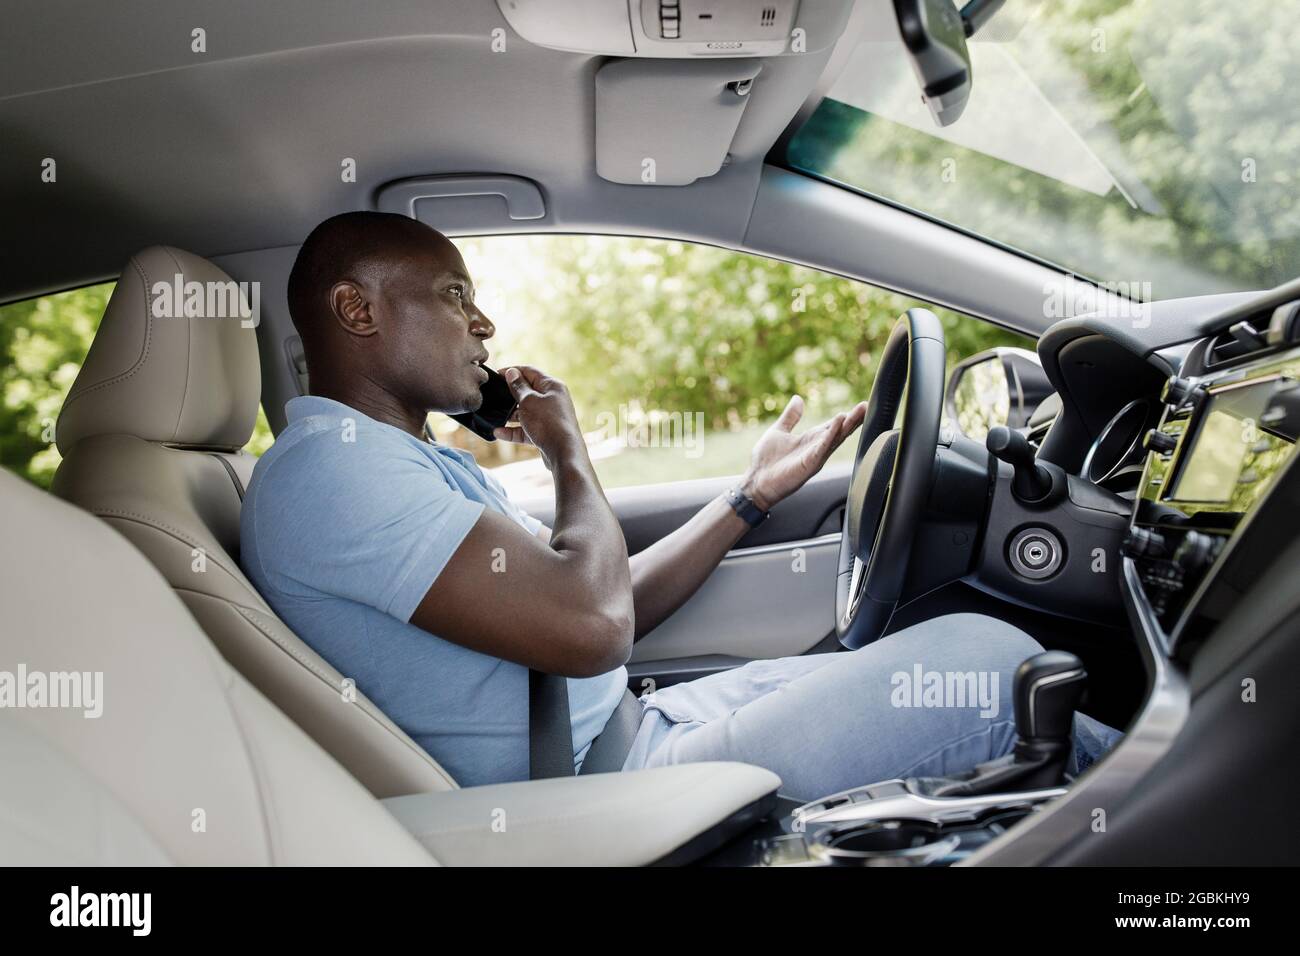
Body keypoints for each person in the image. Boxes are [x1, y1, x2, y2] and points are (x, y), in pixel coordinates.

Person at [241, 212, 1119, 798]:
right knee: (989, 668)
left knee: (977, 661)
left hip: (636, 727)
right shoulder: (332, 471)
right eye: (455, 295)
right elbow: (592, 625)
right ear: (356, 308)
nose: (485, 325)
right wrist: (568, 452)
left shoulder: (394, 459)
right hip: (602, 789)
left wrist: (752, 495)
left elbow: (600, 606)